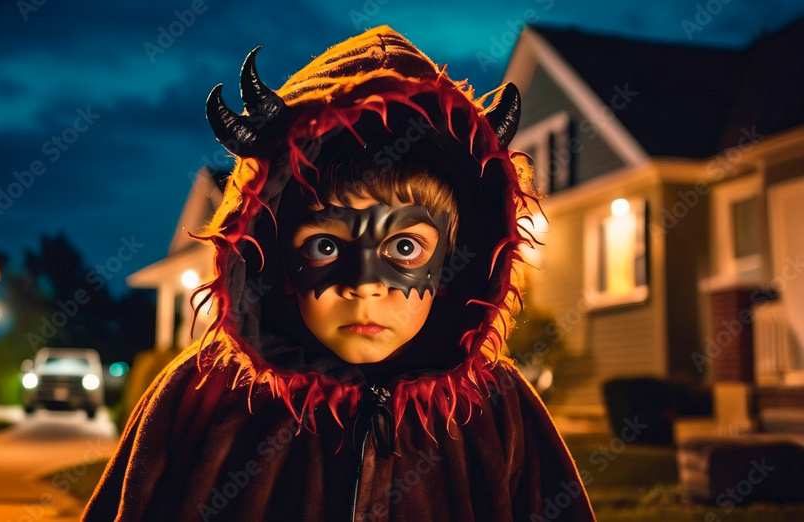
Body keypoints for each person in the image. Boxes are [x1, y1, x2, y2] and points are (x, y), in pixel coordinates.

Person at [83, 26, 596, 522]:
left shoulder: (497, 413)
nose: (365, 284)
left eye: (405, 246)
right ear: (279, 262)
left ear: (451, 270)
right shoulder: (199, 399)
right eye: (326, 246)